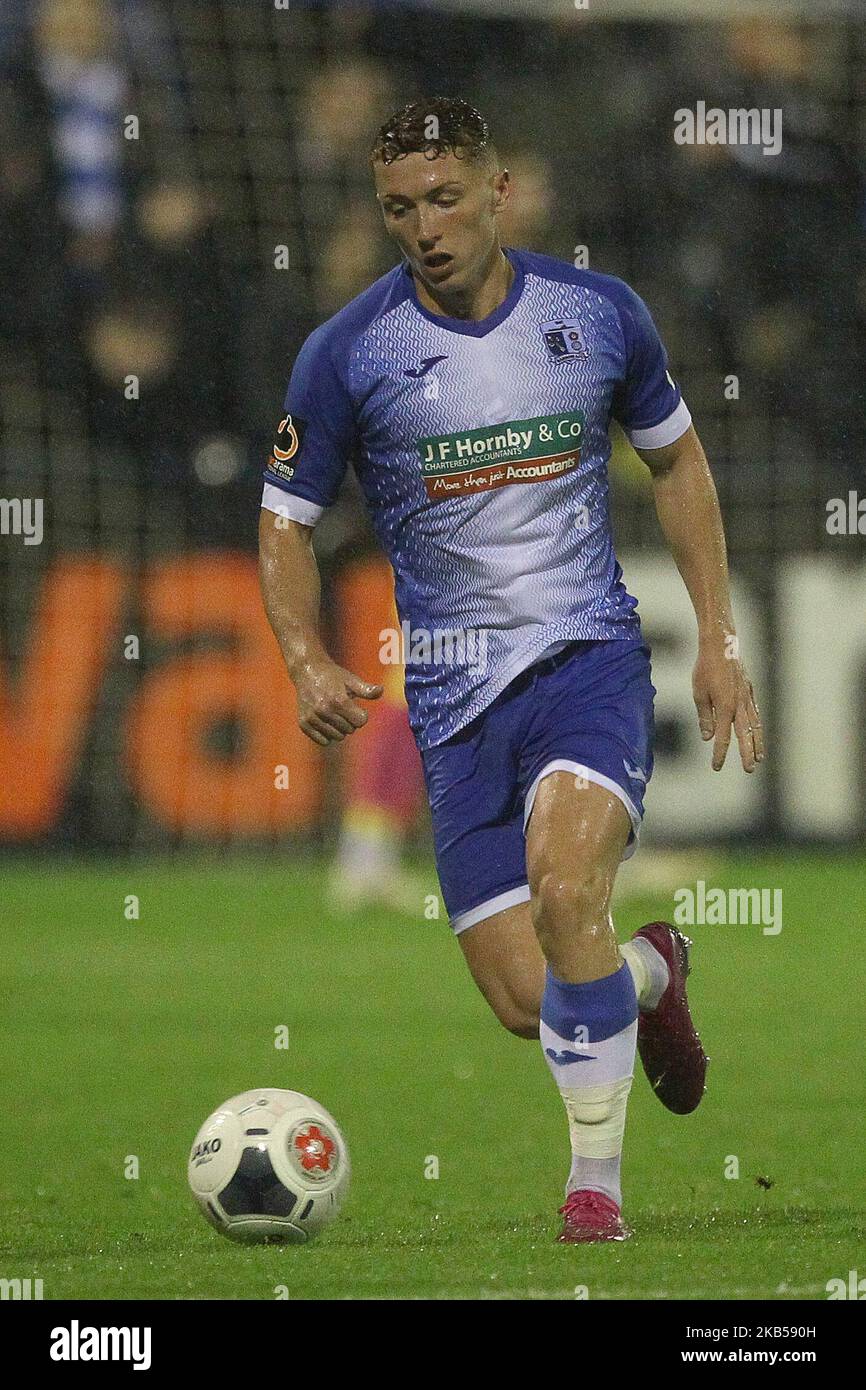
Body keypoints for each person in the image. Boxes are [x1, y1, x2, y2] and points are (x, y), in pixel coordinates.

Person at [259, 98, 764, 1243]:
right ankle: (651, 972)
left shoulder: (596, 315)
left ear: (498, 192)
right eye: (398, 208)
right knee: (526, 996)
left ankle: (594, 1193)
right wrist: (301, 656)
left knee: (565, 883)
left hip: (586, 661)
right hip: (450, 698)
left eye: (444, 198)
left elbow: (675, 461)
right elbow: (284, 518)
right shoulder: (348, 353)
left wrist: (718, 639)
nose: (424, 227)